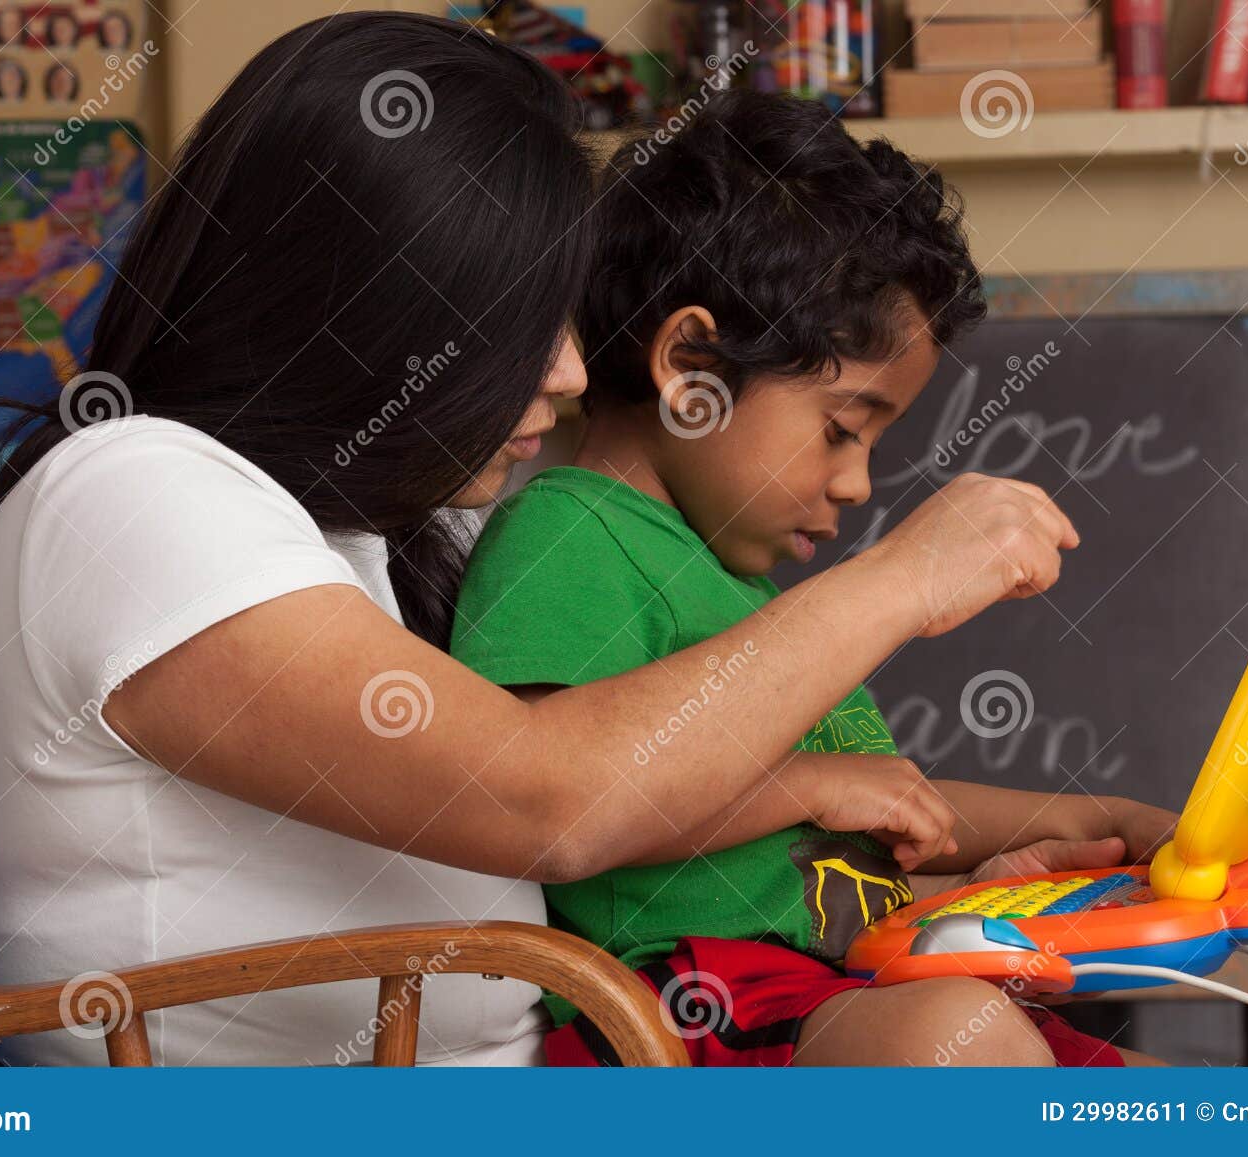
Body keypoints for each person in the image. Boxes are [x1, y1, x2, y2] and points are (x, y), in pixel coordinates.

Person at [0, 13, 1078, 1067]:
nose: (574, 372)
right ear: (379, 307)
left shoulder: (363, 536)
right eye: (517, 321)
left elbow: (649, 802)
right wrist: (900, 577)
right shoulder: (136, 491)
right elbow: (548, 797)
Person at [451, 91, 1176, 1068]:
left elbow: (890, 800)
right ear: (691, 365)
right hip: (698, 1006)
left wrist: (1094, 823)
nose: (857, 482)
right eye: (841, 427)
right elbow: (557, 792)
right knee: (950, 1048)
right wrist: (807, 782)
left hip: (850, 983)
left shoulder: (739, 586)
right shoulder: (567, 532)